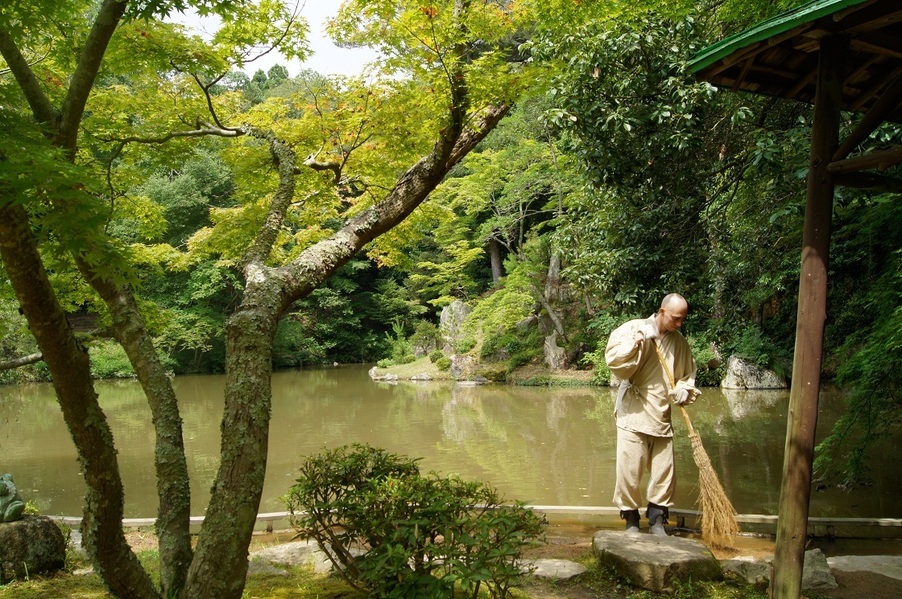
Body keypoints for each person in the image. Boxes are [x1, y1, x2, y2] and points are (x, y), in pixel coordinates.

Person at [604, 293, 699, 535]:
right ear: (662, 311)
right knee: (630, 469)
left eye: (682, 320)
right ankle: (631, 519)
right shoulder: (633, 328)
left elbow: (687, 376)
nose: (679, 324)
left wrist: (683, 390)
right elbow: (615, 363)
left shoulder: (678, 342)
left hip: (661, 412)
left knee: (663, 470)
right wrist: (637, 340)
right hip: (633, 412)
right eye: (676, 318)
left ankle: (657, 518)